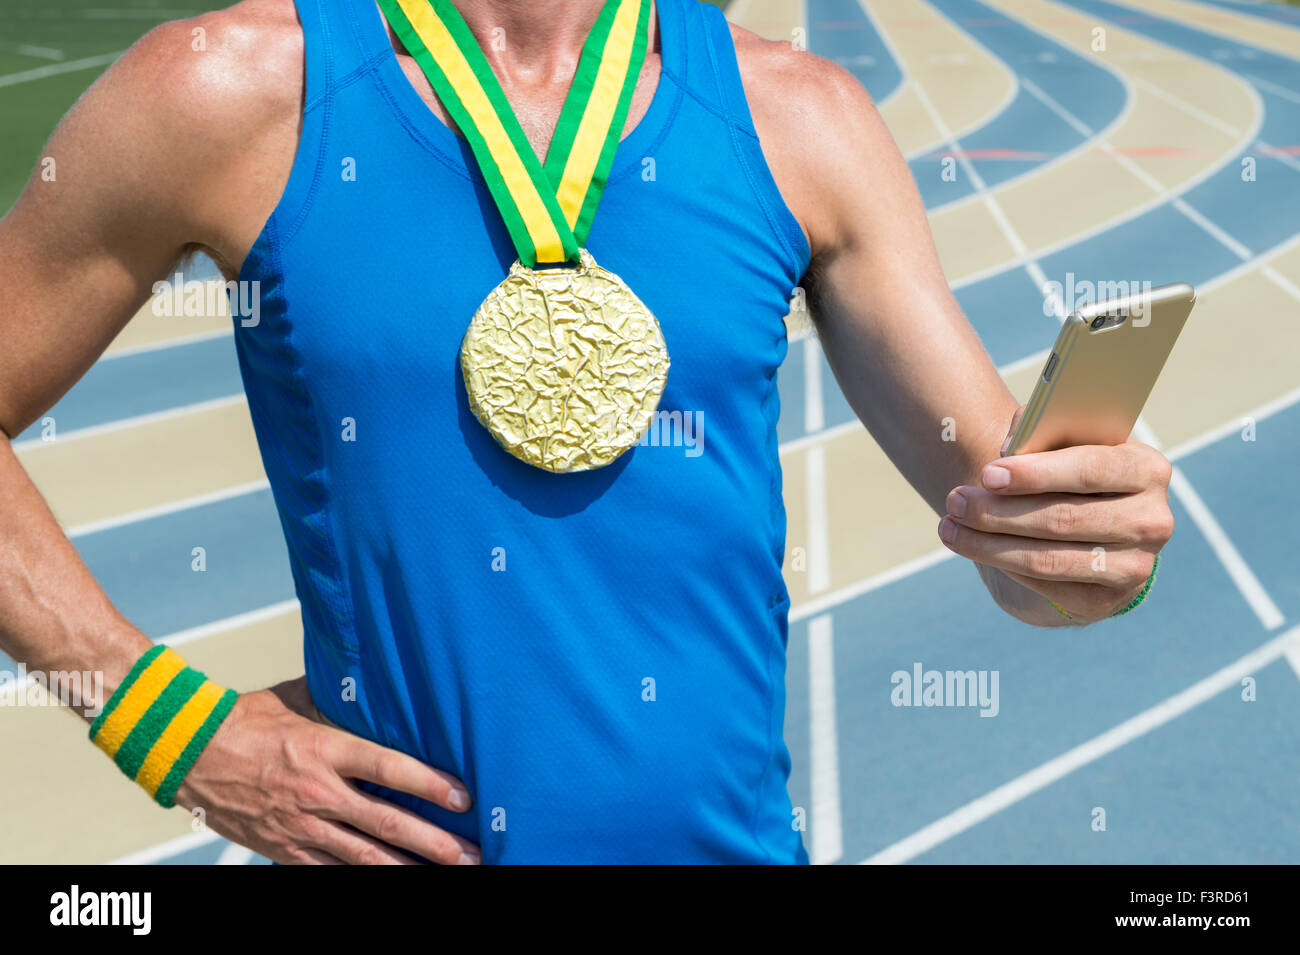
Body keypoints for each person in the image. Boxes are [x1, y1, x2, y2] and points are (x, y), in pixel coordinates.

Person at [0, 0, 1173, 864]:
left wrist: (1092, 550)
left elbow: (1014, 531)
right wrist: (168, 728)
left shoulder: (797, 117)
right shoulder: (232, 91)